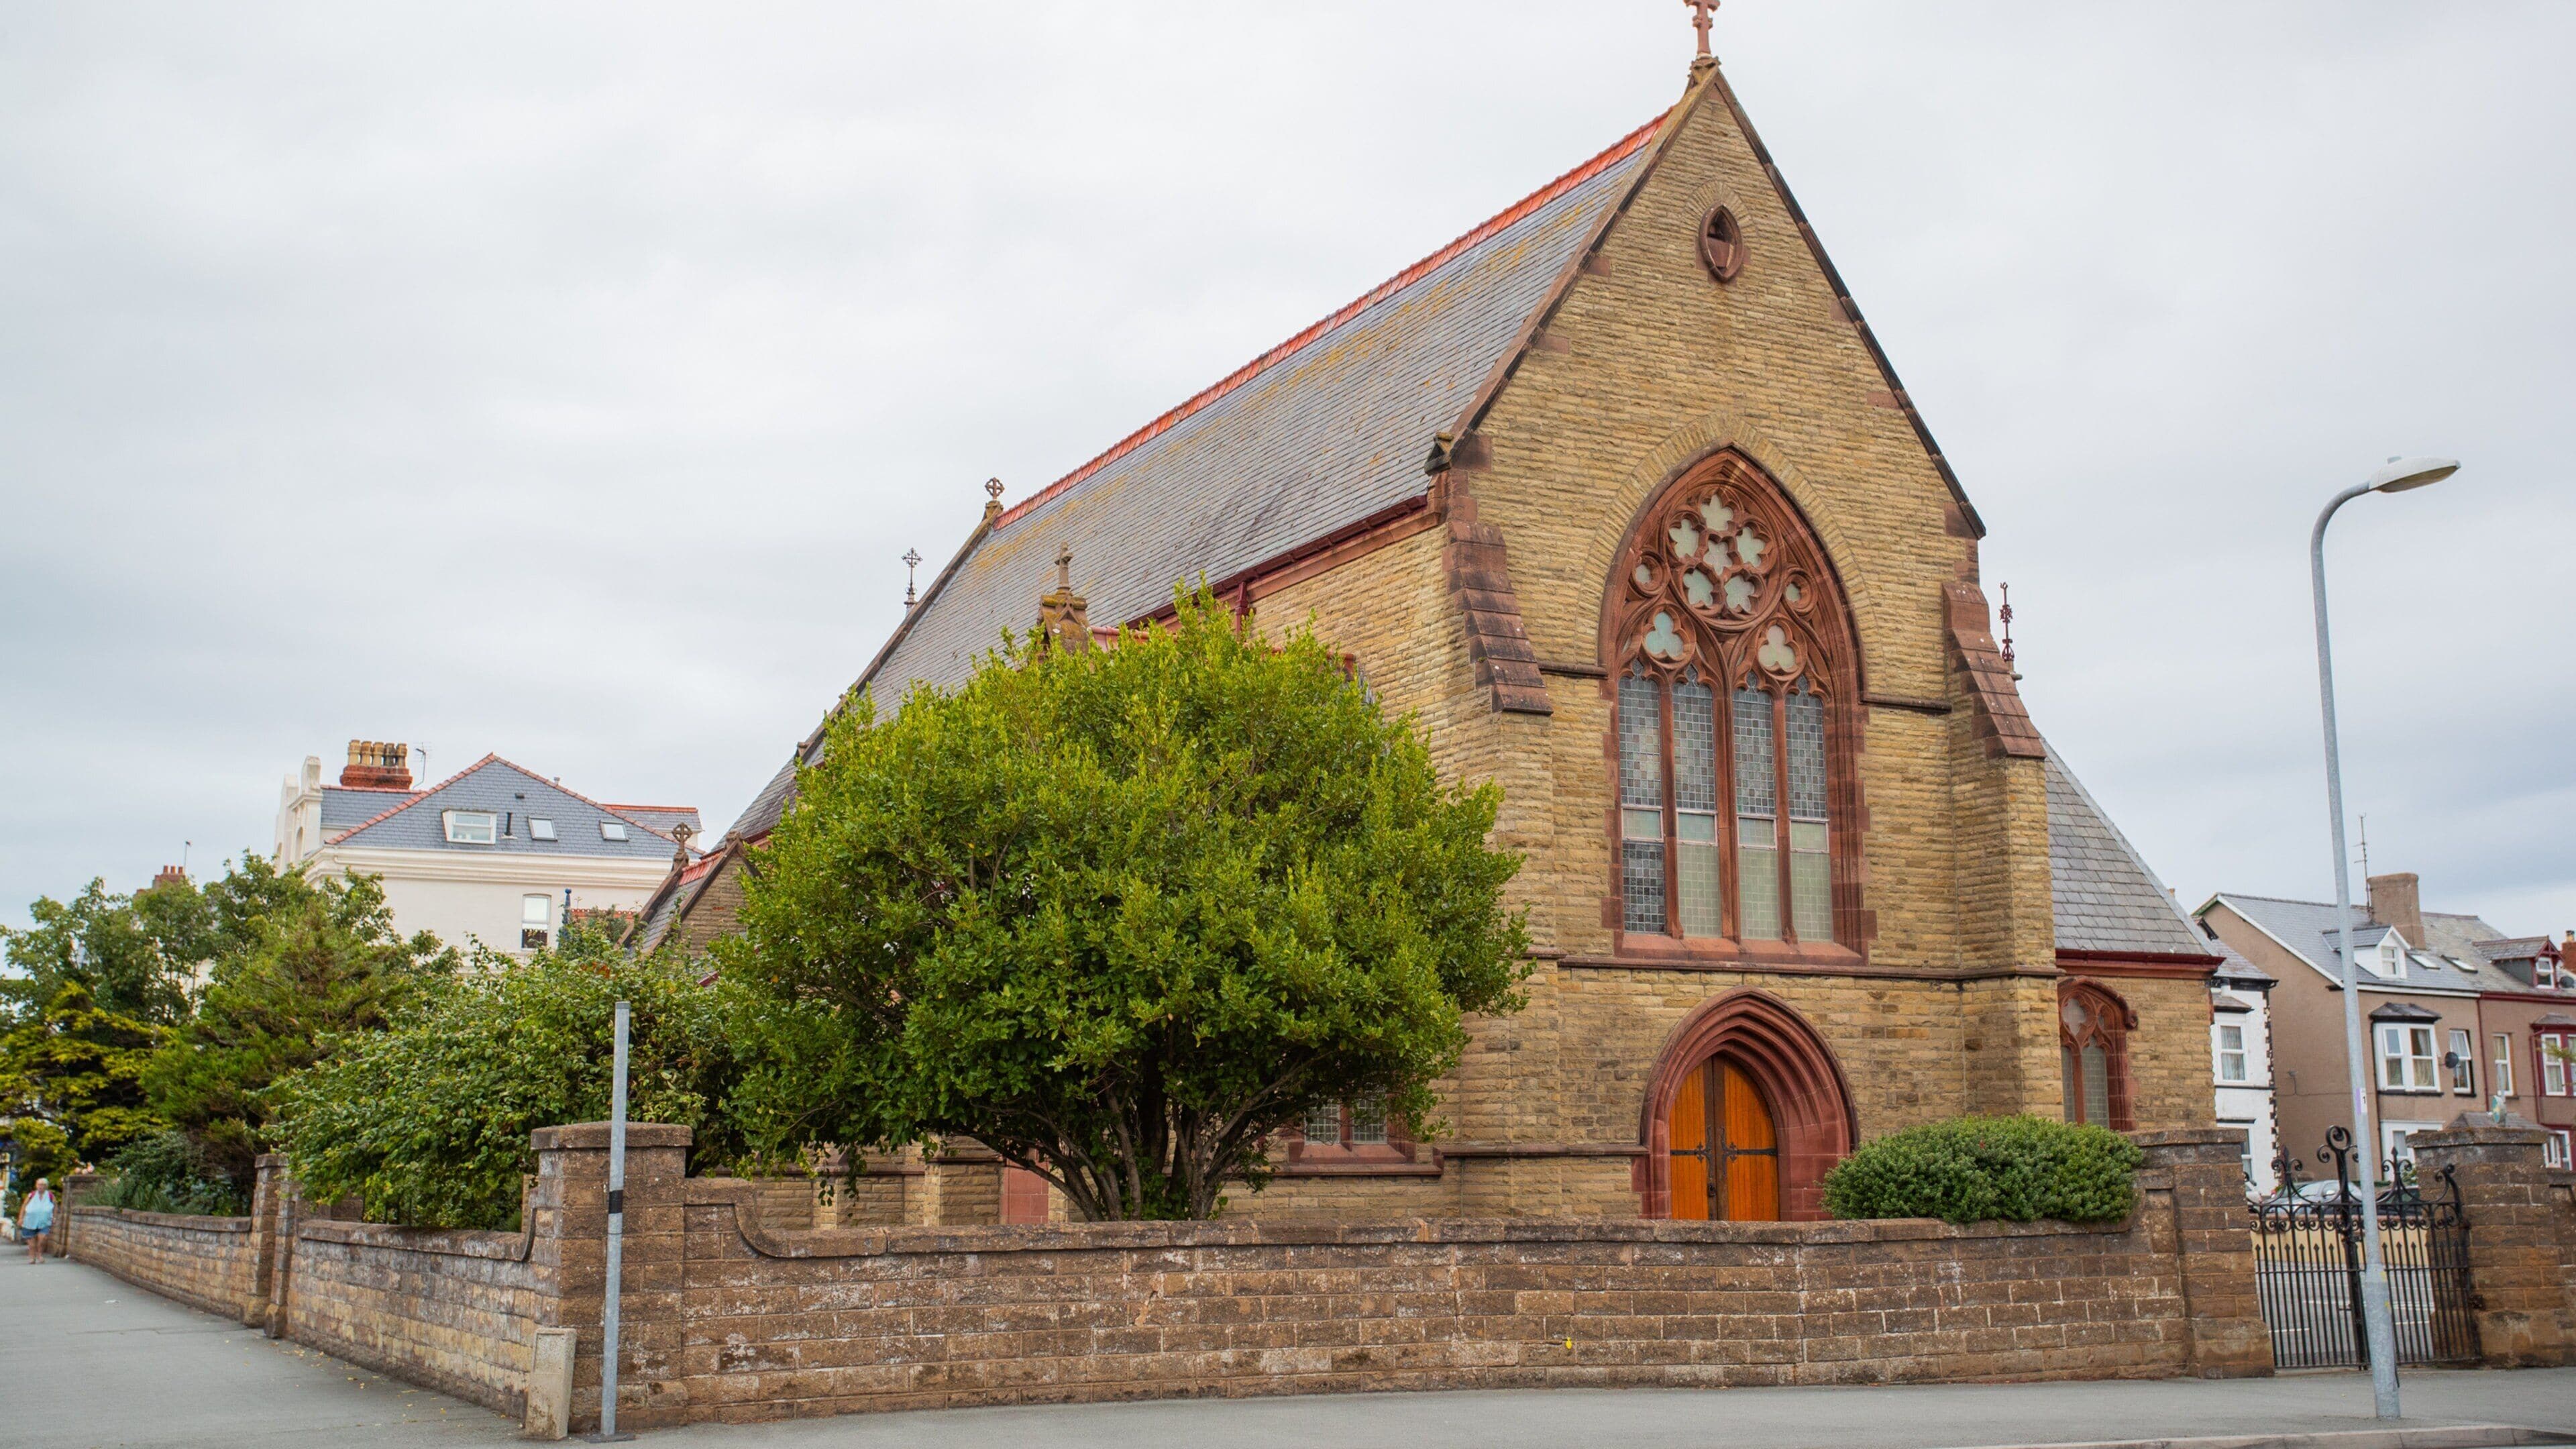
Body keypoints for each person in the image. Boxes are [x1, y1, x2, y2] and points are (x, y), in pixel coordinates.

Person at [19, 1177, 54, 1263]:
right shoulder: (31, 1195)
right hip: (30, 1221)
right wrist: (21, 1218)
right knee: (31, 1244)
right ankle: (32, 1258)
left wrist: (55, 1217)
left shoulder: (50, 1195)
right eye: (39, 1185)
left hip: (44, 1221)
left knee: (42, 1239)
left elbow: (55, 1206)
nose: (40, 1187)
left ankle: (40, 1255)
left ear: (46, 1186)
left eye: (43, 1185)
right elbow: (24, 1205)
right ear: (36, 1185)